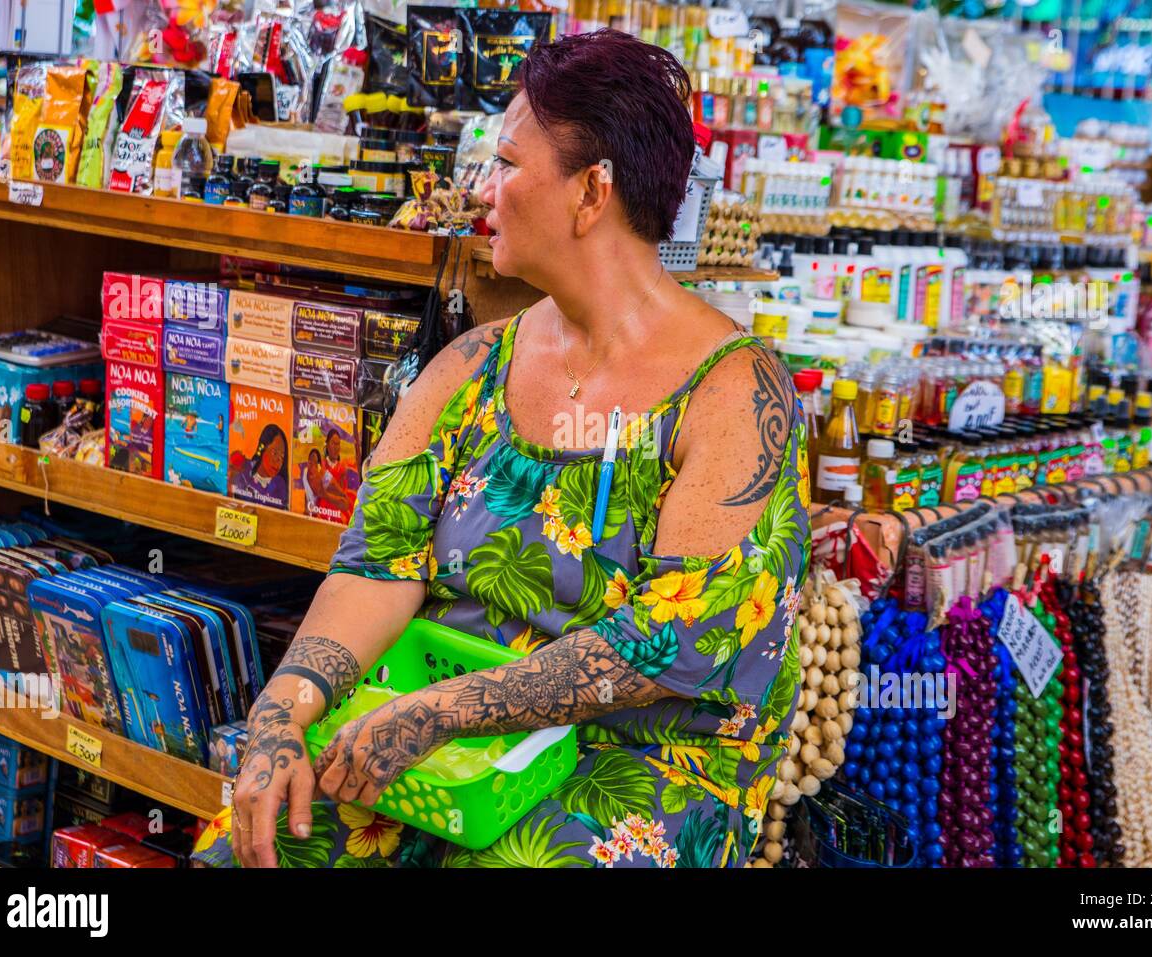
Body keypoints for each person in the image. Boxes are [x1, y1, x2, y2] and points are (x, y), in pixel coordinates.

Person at [195, 29, 809, 870]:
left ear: (593, 193)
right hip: (442, 747)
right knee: (250, 845)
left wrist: (446, 710)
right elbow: (378, 562)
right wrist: (283, 713)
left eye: (509, 165)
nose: (481, 188)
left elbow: (675, 644)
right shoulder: (471, 367)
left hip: (632, 763)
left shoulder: (737, 392)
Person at [230, 423, 289, 508]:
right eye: (275, 453)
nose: (278, 462)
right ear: (262, 448)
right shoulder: (242, 468)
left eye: (282, 457)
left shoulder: (280, 485)